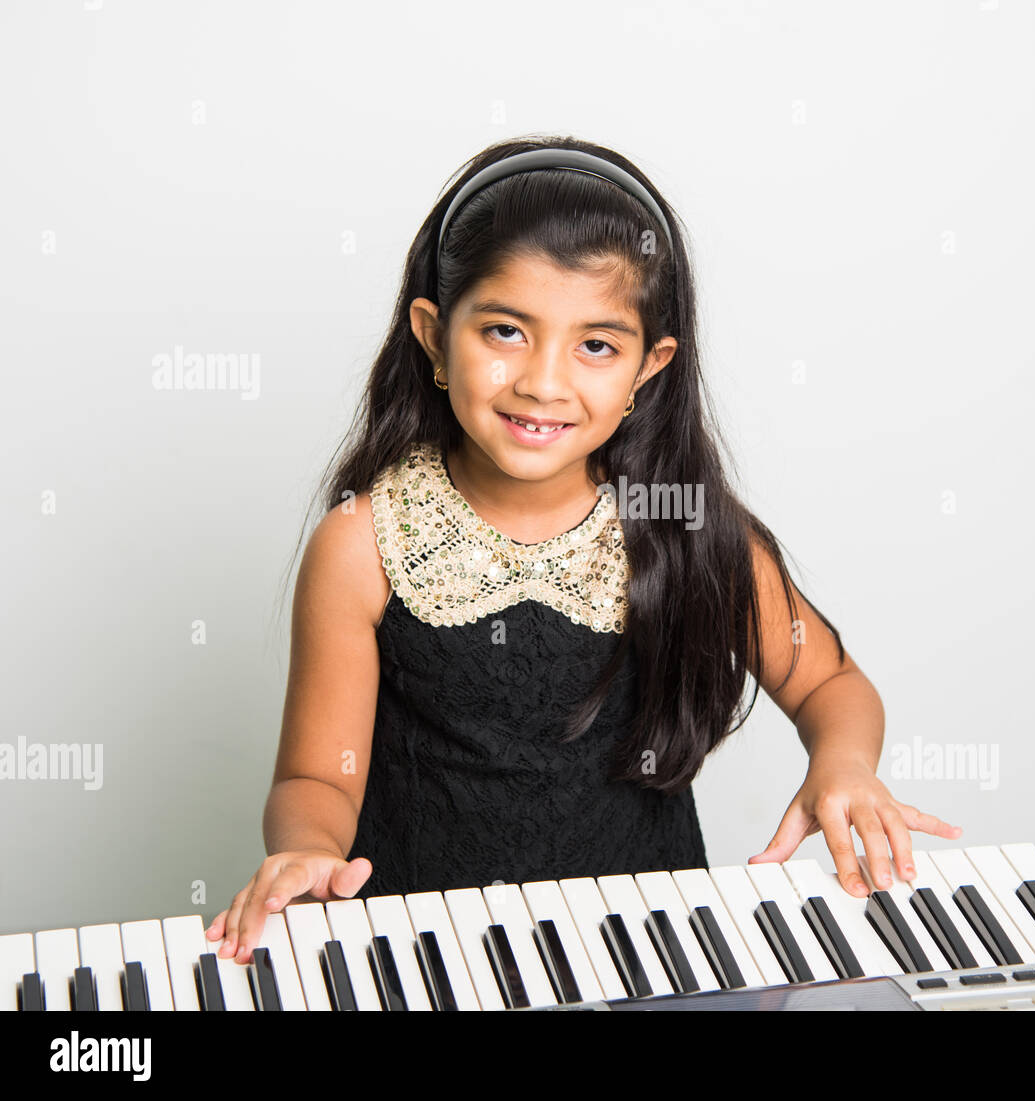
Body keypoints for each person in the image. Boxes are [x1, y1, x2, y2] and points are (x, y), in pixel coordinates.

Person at [206, 135, 961, 966]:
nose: (543, 381)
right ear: (433, 336)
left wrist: (844, 765)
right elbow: (318, 778)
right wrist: (308, 849)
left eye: (596, 345)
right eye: (504, 330)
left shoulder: (682, 523)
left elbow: (829, 680)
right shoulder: (365, 541)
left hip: (648, 956)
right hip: (428, 959)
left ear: (649, 366)